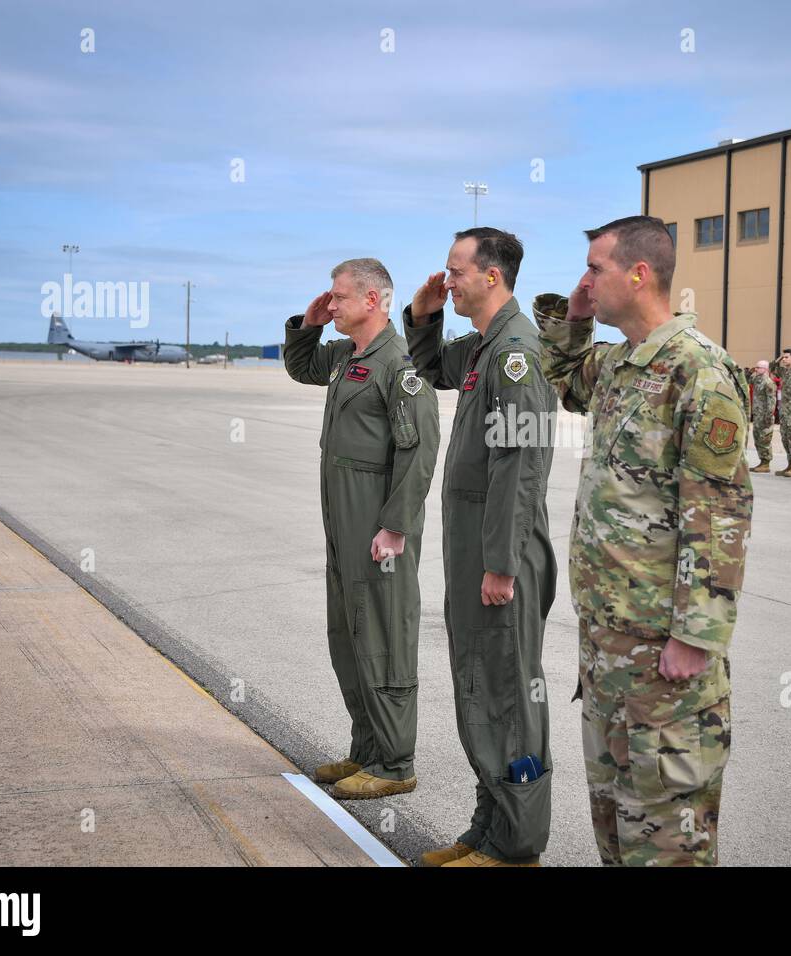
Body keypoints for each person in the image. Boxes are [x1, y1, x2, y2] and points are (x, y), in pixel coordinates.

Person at [535, 215, 753, 866]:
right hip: (607, 653)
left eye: (595, 269)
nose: (586, 281)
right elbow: (566, 380)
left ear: (639, 275)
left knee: (666, 843)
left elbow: (719, 511)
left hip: (665, 659)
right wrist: (574, 318)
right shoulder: (621, 364)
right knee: (616, 833)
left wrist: (696, 633)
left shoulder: (699, 371)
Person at [402, 227, 558, 867]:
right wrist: (422, 316)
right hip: (478, 546)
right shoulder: (487, 347)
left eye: (455, 271)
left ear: (491, 276)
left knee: (508, 693)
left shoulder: (517, 352)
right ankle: (488, 828)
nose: (449, 280)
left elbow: (521, 466)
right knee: (481, 684)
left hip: (502, 553)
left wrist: (499, 563)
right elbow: (432, 368)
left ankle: (515, 846)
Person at [283, 258, 440, 798]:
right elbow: (302, 368)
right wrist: (308, 324)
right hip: (342, 521)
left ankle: (396, 764)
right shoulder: (350, 355)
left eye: (340, 298)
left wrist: (395, 526)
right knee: (348, 635)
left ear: (373, 300)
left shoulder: (400, 363)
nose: (334, 305)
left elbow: (418, 451)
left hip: (377, 523)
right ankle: (367, 750)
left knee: (384, 636)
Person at [774, 349, 791, 477]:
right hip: (785, 411)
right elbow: (771, 368)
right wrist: (778, 359)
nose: (784, 359)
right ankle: (789, 465)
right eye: (783, 357)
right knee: (785, 439)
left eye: (786, 357)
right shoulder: (785, 372)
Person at [747, 360, 776, 473]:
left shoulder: (768, 383)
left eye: (758, 367)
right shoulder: (757, 379)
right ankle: (762, 461)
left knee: (765, 439)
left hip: (765, 416)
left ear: (765, 369)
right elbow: (749, 379)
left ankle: (766, 463)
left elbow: (771, 401)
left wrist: (769, 416)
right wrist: (751, 371)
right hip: (758, 415)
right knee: (757, 438)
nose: (756, 369)